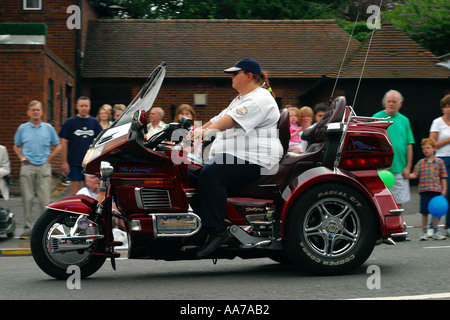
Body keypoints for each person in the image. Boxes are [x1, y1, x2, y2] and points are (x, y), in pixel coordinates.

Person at [189, 58, 283, 258]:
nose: (231, 77)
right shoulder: (242, 98)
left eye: (235, 74)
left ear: (249, 76)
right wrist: (193, 133)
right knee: (191, 174)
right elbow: (218, 118)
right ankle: (204, 226)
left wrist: (204, 134)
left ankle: (217, 231)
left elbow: (230, 120)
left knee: (211, 175)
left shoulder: (259, 98)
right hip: (238, 155)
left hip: (256, 158)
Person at [13, 100, 61, 239]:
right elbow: (16, 146)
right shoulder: (22, 128)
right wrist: (21, 157)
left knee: (44, 200)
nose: (35, 112)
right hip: (27, 167)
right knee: (27, 200)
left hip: (43, 167)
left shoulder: (48, 128)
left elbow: (58, 145)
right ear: (28, 112)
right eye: (33, 109)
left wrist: (49, 158)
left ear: (41, 112)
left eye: (38, 109)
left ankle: (44, 230)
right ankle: (28, 229)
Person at [372, 90, 415, 207]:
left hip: (400, 169)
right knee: (381, 202)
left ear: (400, 104)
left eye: (394, 101)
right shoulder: (376, 118)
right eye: (389, 101)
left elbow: (409, 144)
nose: (391, 104)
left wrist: (408, 166)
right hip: (382, 169)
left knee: (398, 203)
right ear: (385, 103)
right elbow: (371, 144)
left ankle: (398, 224)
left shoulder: (405, 120)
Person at [59, 96, 103, 196]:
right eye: (81, 106)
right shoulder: (70, 122)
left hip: (90, 163)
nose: (84, 108)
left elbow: (100, 142)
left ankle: (89, 212)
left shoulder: (94, 122)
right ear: (77, 107)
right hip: (74, 162)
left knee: (90, 192)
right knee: (75, 192)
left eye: (86, 106)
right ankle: (74, 211)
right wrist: (64, 162)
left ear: (89, 107)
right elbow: (64, 142)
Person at [409, 138, 447, 240]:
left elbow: (443, 177)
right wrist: (407, 175)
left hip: (436, 191)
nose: (426, 150)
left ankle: (436, 231)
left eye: (428, 148)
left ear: (434, 148)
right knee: (424, 213)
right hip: (424, 191)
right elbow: (415, 174)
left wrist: (444, 190)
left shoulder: (439, 162)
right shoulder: (421, 162)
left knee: (435, 213)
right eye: (423, 148)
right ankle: (423, 232)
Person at [429, 94, 450, 237]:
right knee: (442, 194)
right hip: (441, 162)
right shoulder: (437, 122)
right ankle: (432, 227)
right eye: (446, 106)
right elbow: (431, 144)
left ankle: (448, 227)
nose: (448, 109)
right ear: (443, 108)